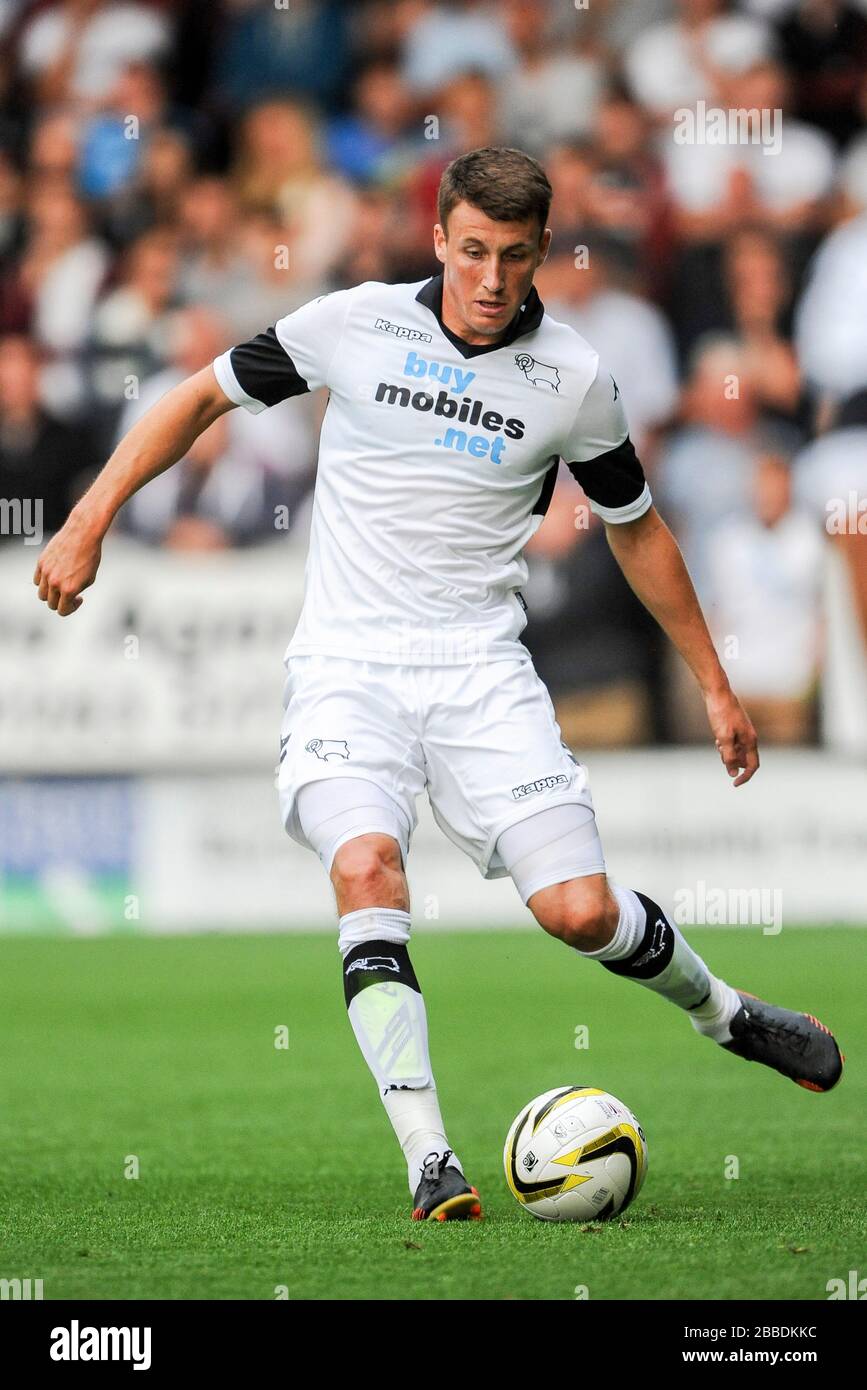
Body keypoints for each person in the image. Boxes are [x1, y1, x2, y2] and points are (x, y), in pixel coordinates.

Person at [33, 146, 844, 1223]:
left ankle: (724, 1013)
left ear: (544, 249)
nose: (491, 278)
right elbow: (197, 398)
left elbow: (638, 532)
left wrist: (716, 683)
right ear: (439, 239)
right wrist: (88, 521)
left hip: (480, 672)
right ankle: (431, 1160)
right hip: (346, 670)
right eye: (472, 252)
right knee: (367, 867)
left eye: (514, 256)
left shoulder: (574, 378)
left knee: (581, 909)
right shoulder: (353, 323)